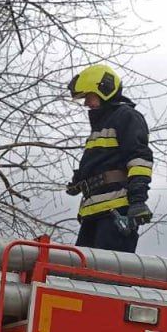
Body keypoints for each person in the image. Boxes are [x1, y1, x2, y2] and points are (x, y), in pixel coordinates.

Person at [67, 64, 153, 253]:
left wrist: (138, 200)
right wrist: (79, 180)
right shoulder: (100, 127)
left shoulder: (126, 117)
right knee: (79, 274)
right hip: (92, 213)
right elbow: (100, 162)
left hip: (116, 212)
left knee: (105, 275)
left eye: (89, 96)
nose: (86, 103)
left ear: (103, 89)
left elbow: (140, 160)